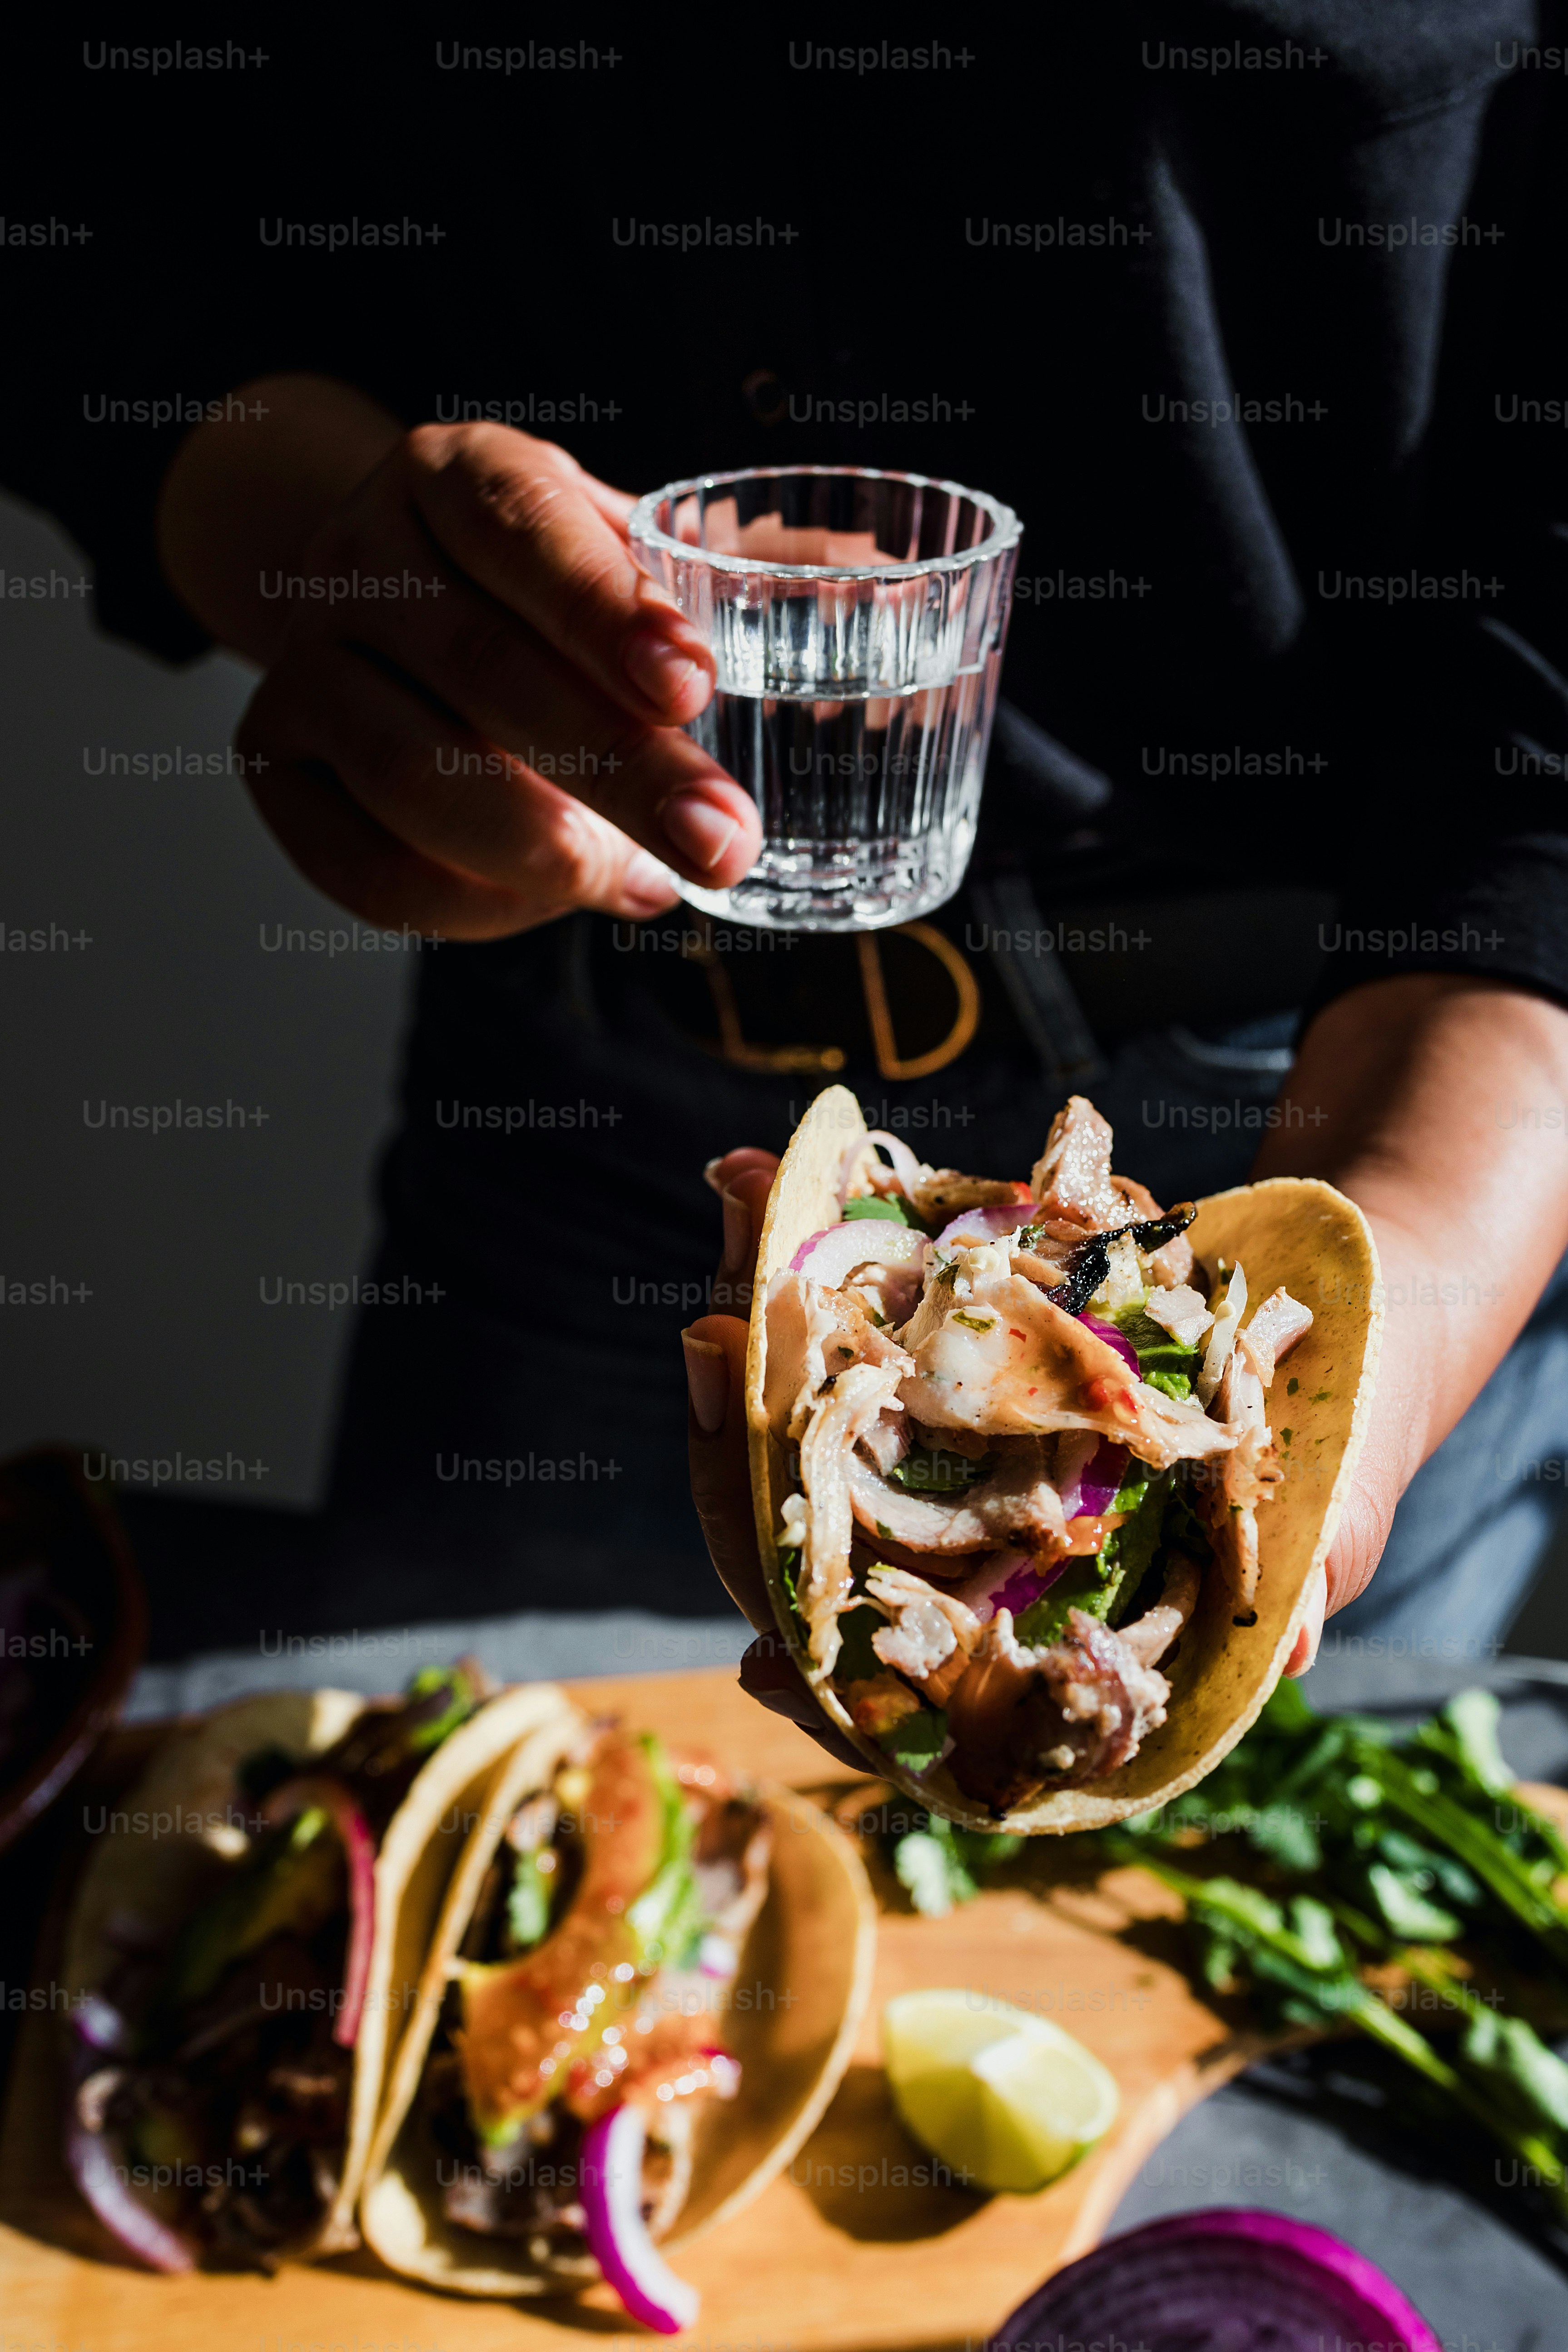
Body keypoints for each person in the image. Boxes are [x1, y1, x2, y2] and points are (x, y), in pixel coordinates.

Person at [11, 15, 1568, 1688]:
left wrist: (1373, 1307)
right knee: (474, 1837)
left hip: (1357, 1098)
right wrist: (321, 551)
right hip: (589, 1096)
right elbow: (84, 183)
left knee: (1201, 1922)